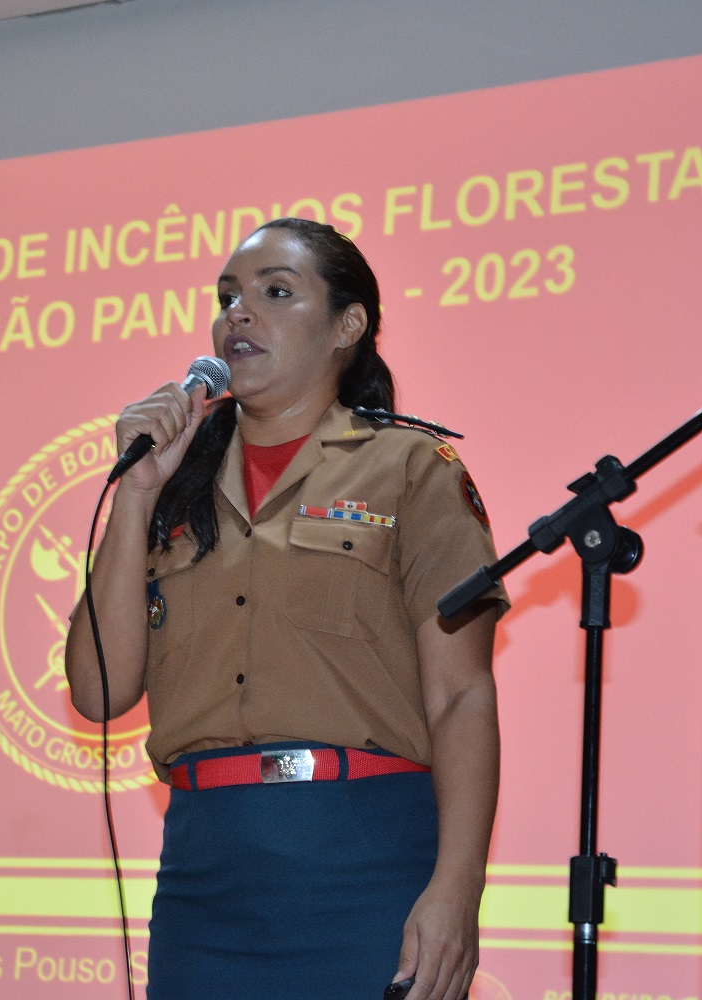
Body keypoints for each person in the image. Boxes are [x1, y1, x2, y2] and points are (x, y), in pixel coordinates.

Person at [65, 218, 507, 1000]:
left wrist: (457, 890)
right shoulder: (171, 488)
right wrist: (134, 497)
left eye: (275, 293)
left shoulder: (411, 469)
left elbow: (461, 693)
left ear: (348, 325)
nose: (239, 313)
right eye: (228, 296)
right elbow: (101, 692)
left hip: (363, 863)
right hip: (203, 875)